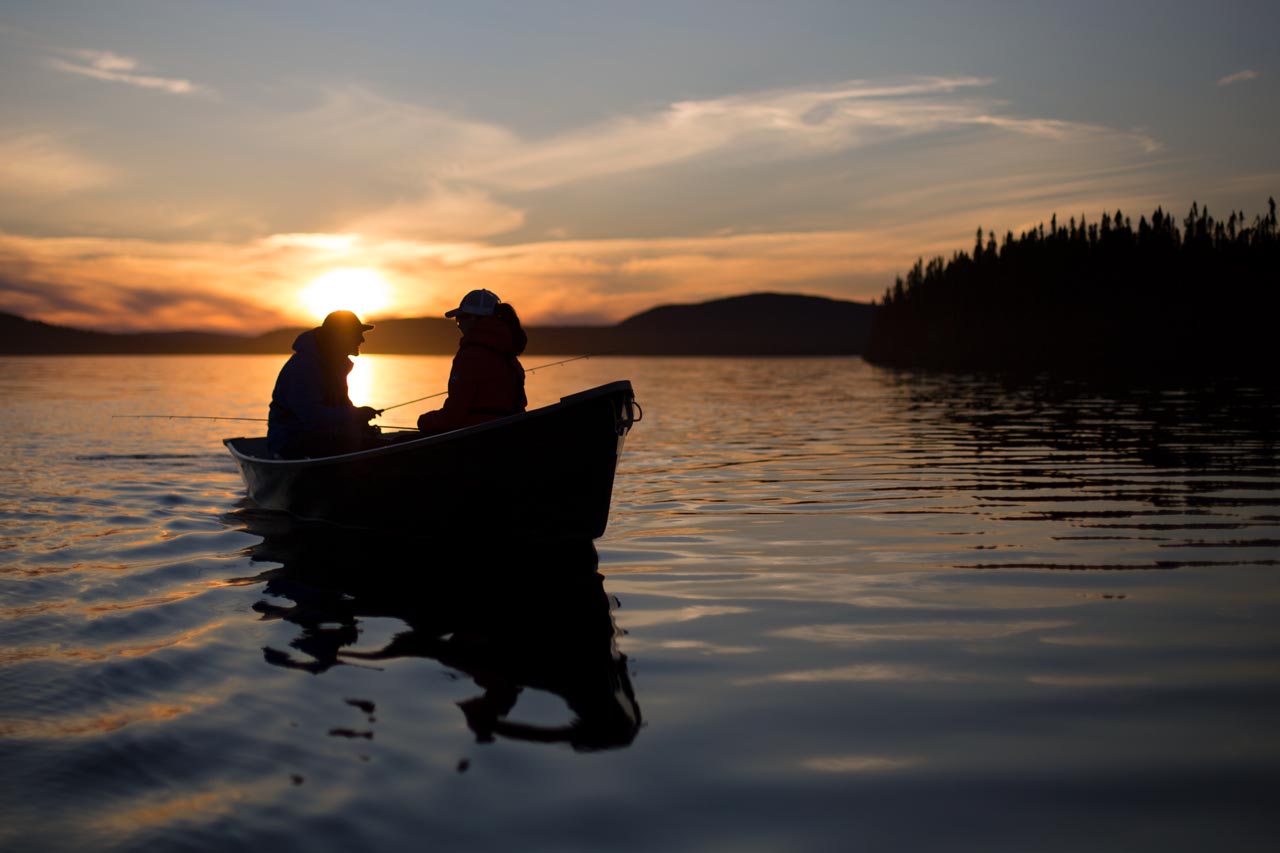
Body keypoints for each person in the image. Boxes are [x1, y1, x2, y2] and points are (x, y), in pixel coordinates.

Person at [267, 310, 381, 459]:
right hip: (288, 445)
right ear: (340, 337)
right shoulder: (304, 367)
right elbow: (312, 417)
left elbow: (340, 408)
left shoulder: (334, 365)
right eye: (356, 334)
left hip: (319, 440)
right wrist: (355, 414)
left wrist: (360, 419)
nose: (361, 340)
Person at [417, 289, 527, 435]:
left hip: (476, 440)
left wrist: (424, 421)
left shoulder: (469, 357)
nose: (459, 325)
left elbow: (452, 416)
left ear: (474, 318)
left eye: (460, 319)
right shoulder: (509, 356)